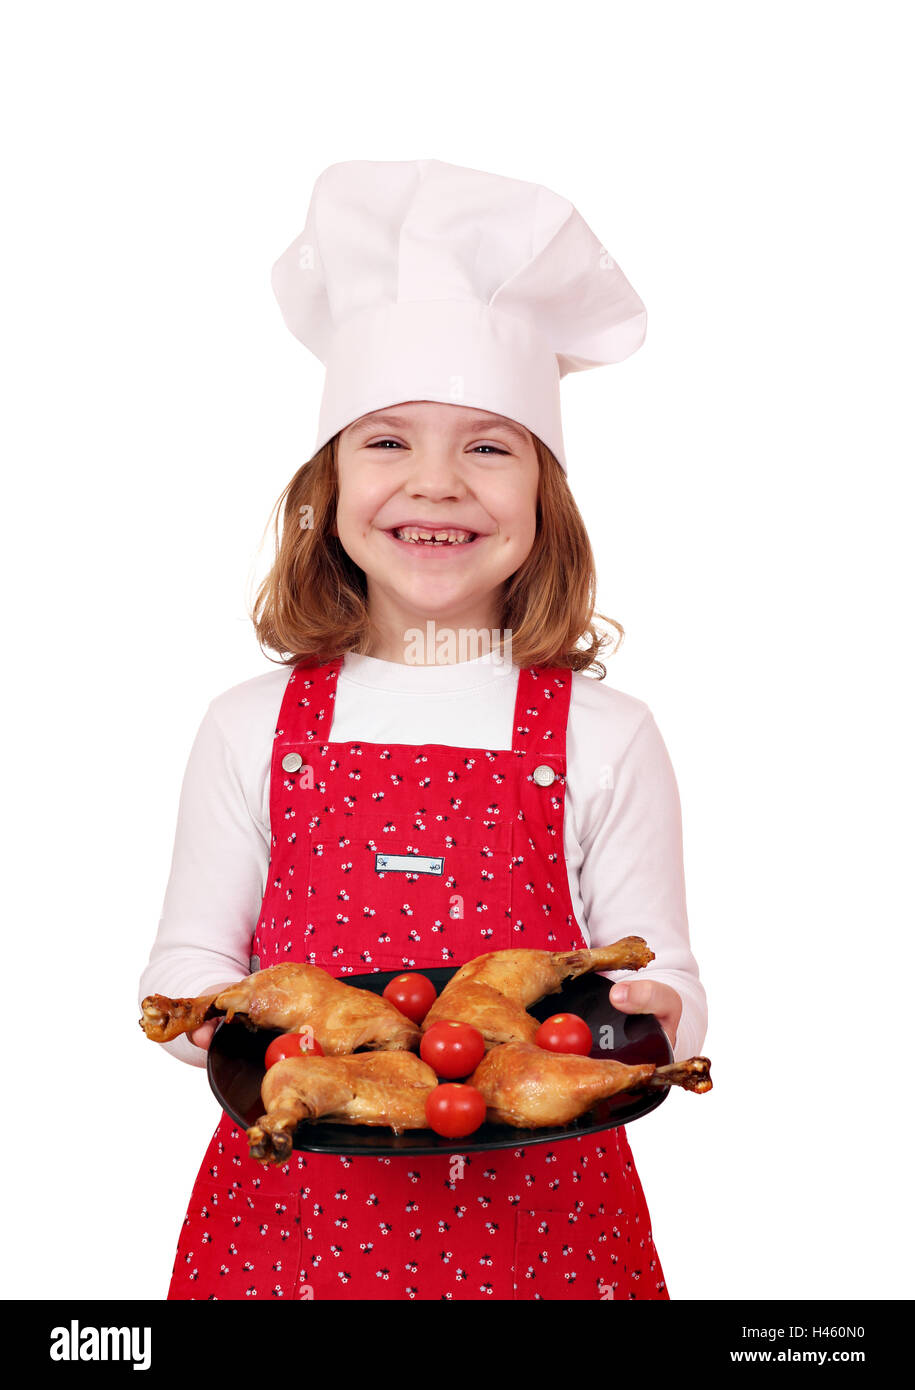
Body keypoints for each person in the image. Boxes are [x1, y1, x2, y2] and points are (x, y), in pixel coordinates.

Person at [138, 158, 708, 1301]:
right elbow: (189, 960)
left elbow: (660, 963)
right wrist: (226, 1035)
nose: (436, 484)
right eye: (387, 441)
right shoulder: (251, 726)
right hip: (290, 1220)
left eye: (489, 447)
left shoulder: (608, 732)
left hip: (548, 1222)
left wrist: (663, 1009)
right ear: (326, 488)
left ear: (545, 502)